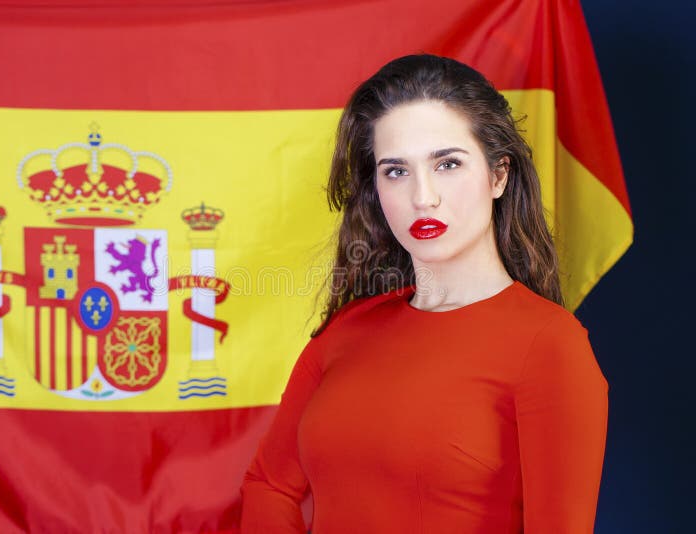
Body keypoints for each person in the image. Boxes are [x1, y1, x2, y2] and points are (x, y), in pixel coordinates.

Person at [240, 54, 608, 533]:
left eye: (447, 164)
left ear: (498, 175)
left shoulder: (550, 344)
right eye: (396, 171)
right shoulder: (348, 328)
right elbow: (269, 484)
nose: (423, 197)